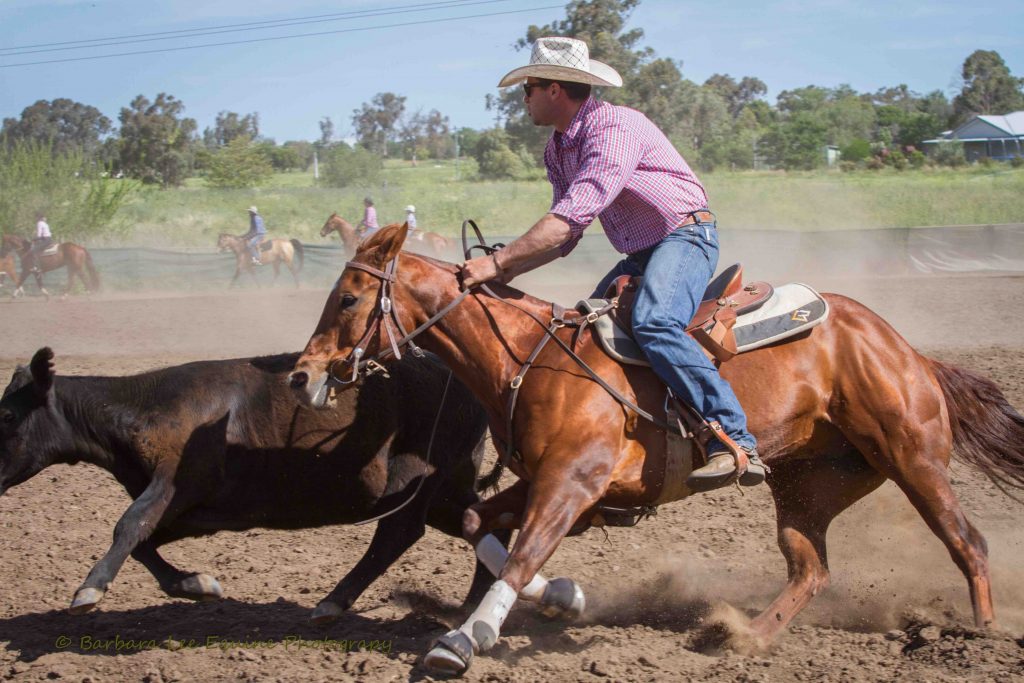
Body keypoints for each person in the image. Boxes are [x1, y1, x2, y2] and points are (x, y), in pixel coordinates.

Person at [459, 36, 765, 491]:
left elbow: (570, 217)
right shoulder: (558, 149)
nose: (524, 99)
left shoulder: (613, 128)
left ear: (555, 90)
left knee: (656, 322)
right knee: (581, 332)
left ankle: (732, 438)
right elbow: (566, 238)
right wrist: (503, 274)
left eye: (529, 88)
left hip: (684, 236)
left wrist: (497, 264)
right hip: (643, 252)